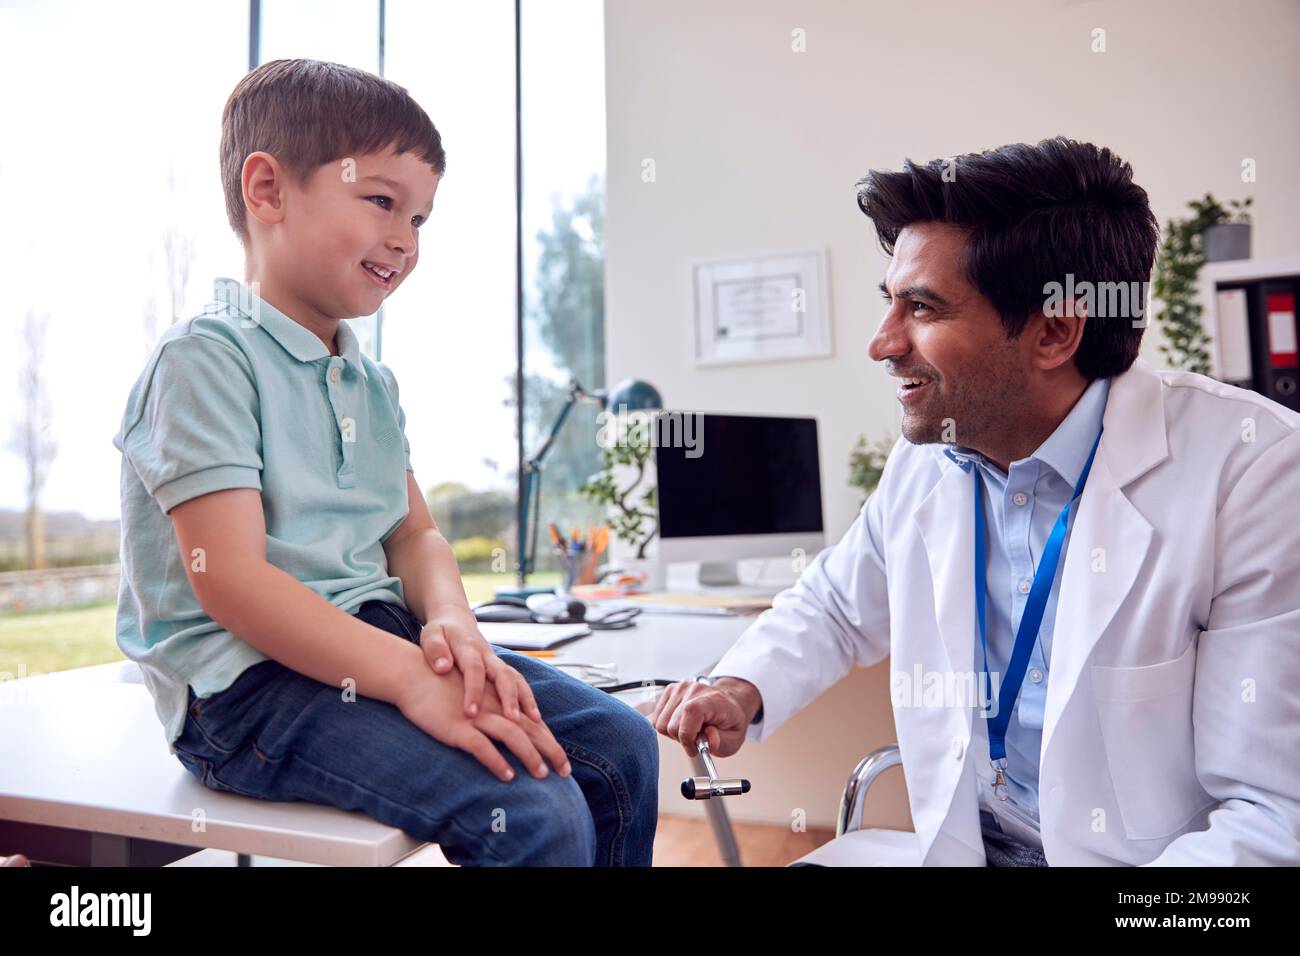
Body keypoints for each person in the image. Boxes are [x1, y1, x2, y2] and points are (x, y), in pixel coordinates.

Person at [654, 137, 1300, 867]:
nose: (881, 343)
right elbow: (836, 605)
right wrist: (741, 688)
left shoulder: (1257, 472)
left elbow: (1275, 820)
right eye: (889, 302)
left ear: (1054, 330)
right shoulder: (930, 460)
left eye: (922, 308)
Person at [112, 59, 658, 866]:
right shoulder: (205, 360)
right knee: (534, 811)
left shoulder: (370, 382)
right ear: (267, 191)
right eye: (381, 201)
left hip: (382, 641)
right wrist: (409, 678)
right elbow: (228, 577)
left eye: (421, 219)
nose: (404, 239)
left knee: (622, 747)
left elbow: (415, 538)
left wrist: (451, 630)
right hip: (245, 691)